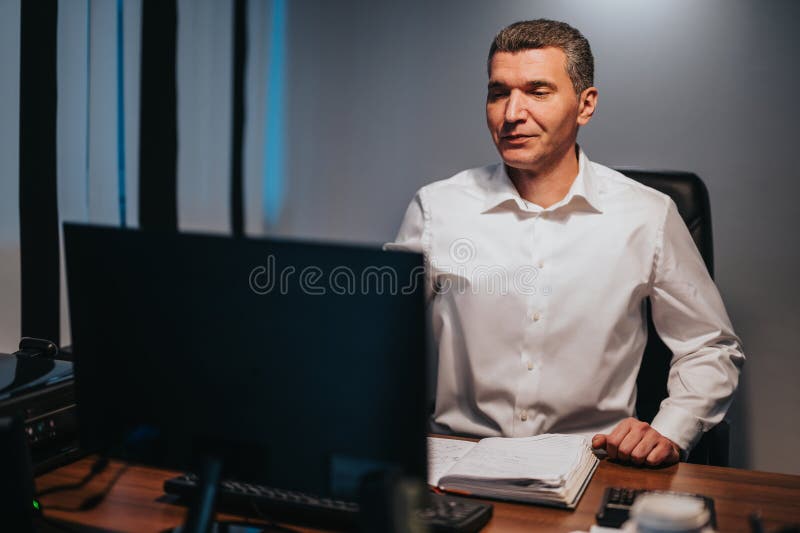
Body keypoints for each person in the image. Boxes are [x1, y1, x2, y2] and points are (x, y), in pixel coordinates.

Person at [386, 19, 744, 466]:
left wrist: (670, 430)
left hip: (592, 463)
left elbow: (709, 346)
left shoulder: (647, 215)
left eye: (537, 91)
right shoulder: (438, 209)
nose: (512, 114)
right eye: (499, 93)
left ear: (585, 104)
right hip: (459, 459)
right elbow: (376, 338)